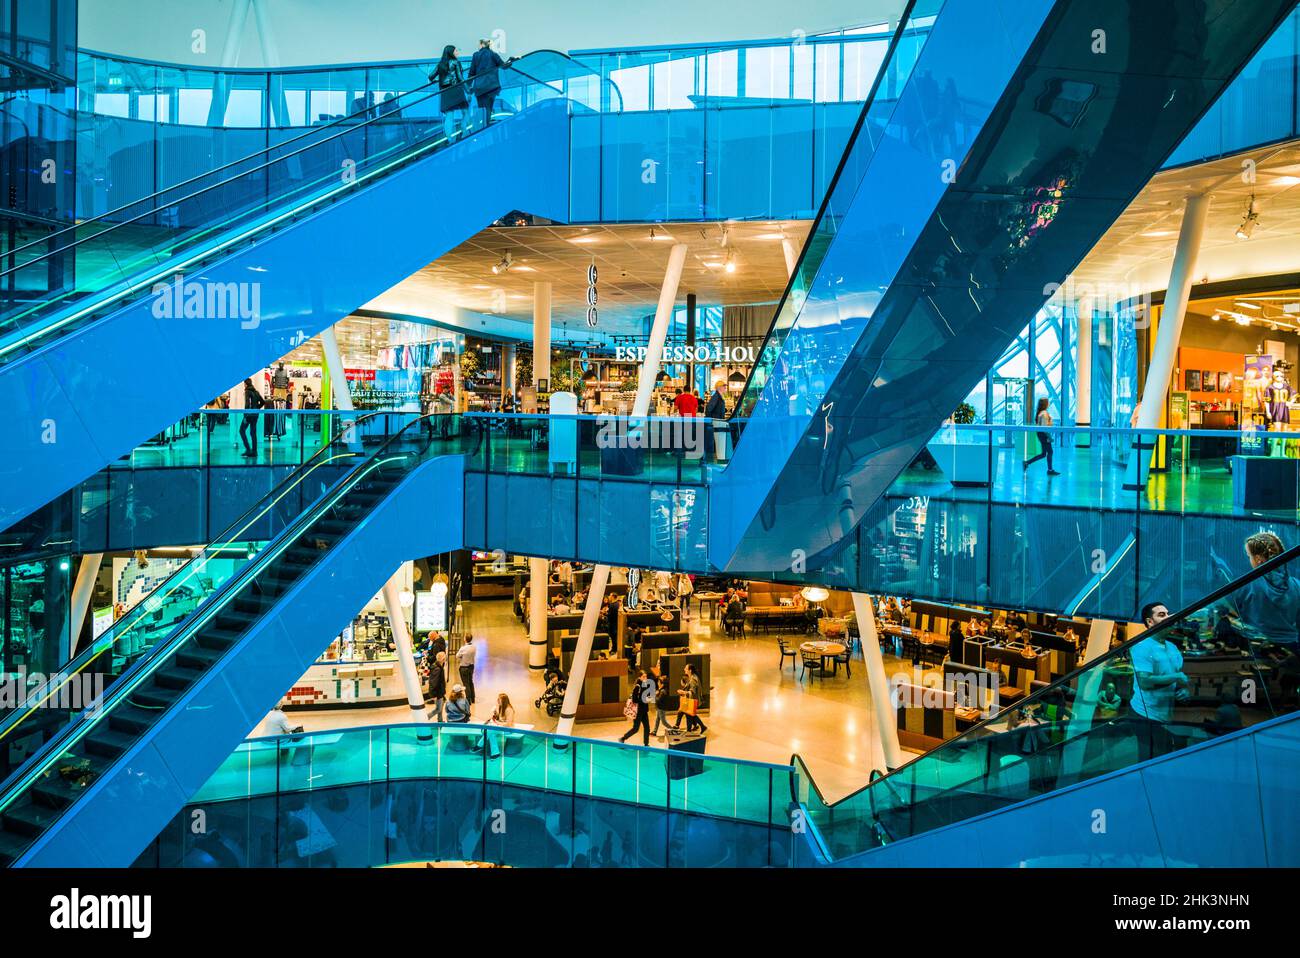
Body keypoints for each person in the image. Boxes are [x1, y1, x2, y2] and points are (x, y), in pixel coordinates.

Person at [1232, 531, 1300, 704]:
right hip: (1292, 650)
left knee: (1251, 694)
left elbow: (1236, 613)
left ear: (1259, 559)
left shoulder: (1248, 585)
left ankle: (1250, 706)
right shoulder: (1297, 586)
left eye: (1249, 556)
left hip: (1257, 648)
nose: (1249, 561)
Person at [1129, 601, 1188, 761]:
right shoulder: (1142, 648)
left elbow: (1176, 679)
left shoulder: (1173, 648)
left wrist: (1181, 690)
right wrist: (1176, 677)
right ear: (1150, 622)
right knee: (1149, 760)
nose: (1168, 617)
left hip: (1166, 714)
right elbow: (1145, 682)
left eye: (1168, 613)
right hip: (1145, 715)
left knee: (1164, 755)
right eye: (1161, 615)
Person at [431, 45, 469, 143]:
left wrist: (437, 80)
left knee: (449, 116)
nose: (458, 53)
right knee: (465, 112)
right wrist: (468, 90)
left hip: (445, 91)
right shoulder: (456, 62)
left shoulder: (440, 64)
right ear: (451, 52)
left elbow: (430, 76)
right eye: (456, 51)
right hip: (456, 90)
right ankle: (463, 132)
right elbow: (460, 78)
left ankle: (450, 139)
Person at [468, 38, 505, 127]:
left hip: (479, 87)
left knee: (482, 109)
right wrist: (513, 59)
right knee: (488, 108)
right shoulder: (493, 54)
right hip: (492, 87)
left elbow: (472, 72)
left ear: (482, 44)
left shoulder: (476, 55)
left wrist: (468, 86)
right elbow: (504, 66)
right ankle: (486, 128)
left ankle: (482, 128)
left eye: (478, 44)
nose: (477, 46)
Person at [1023, 397, 1060, 476]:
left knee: (1044, 454)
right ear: (1045, 404)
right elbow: (1044, 428)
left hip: (1041, 434)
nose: (1049, 403)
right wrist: (1049, 437)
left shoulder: (1040, 413)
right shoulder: (1044, 413)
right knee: (1050, 452)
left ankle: (1027, 462)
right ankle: (1050, 470)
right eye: (1048, 402)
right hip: (1044, 435)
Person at [619, 670, 656, 746]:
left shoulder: (646, 684)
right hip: (638, 711)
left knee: (647, 728)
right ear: (639, 677)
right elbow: (634, 699)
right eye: (643, 676)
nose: (645, 678)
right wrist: (644, 700)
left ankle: (646, 744)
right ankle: (623, 738)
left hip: (644, 710)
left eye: (646, 676)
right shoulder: (637, 686)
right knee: (635, 729)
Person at [672, 664, 707, 734]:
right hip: (691, 700)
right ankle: (699, 727)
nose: (684, 669)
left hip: (692, 700)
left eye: (686, 668)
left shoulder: (693, 679)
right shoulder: (692, 677)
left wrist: (683, 692)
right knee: (690, 714)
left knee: (690, 714)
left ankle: (690, 730)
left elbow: (692, 692)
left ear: (690, 670)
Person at [239, 377, 266, 458]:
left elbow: (247, 404)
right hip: (255, 415)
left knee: (241, 430)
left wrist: (245, 416)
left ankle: (248, 449)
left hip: (249, 415)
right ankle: (254, 451)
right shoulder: (256, 392)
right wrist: (257, 408)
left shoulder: (247, 391)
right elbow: (263, 402)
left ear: (246, 384)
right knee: (253, 433)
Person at [705, 381, 728, 461]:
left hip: (718, 422)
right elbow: (709, 408)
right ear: (719, 387)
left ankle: (716, 457)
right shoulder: (716, 397)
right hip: (716, 422)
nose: (725, 388)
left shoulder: (719, 397)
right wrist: (712, 420)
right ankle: (713, 458)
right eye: (724, 386)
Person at [426, 650, 448, 721]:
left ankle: (440, 721)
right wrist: (433, 694)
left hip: (440, 691)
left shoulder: (438, 666)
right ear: (443, 659)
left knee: (440, 707)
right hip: (438, 692)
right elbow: (433, 682)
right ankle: (426, 717)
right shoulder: (437, 669)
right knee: (438, 709)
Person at [456, 635, 477, 705]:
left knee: (466, 684)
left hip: (464, 667)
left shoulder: (463, 648)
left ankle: (468, 700)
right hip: (471, 666)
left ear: (465, 639)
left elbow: (457, 656)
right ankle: (473, 698)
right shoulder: (474, 647)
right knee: (470, 682)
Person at [652, 672, 672, 740]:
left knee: (663, 722)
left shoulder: (663, 691)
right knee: (657, 719)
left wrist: (655, 695)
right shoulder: (661, 690)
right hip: (659, 707)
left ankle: (673, 730)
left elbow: (659, 700)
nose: (657, 683)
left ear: (662, 684)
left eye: (659, 682)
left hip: (661, 708)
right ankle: (654, 731)